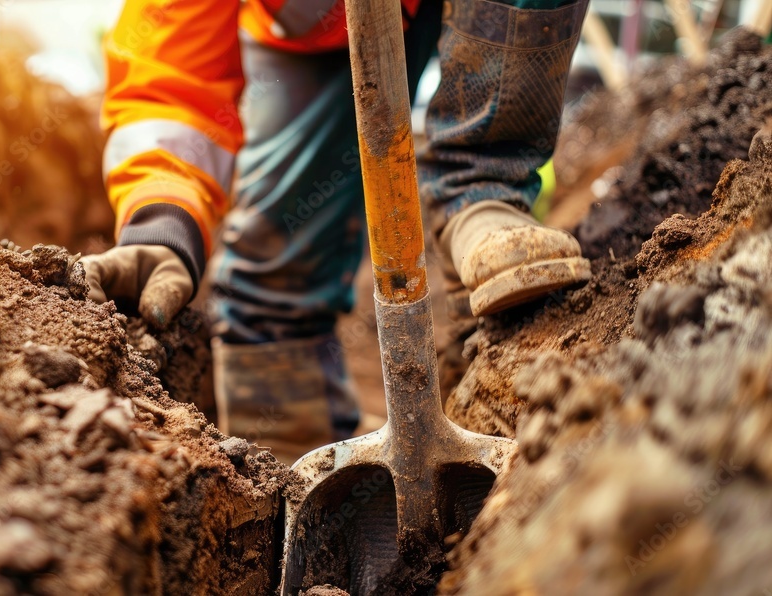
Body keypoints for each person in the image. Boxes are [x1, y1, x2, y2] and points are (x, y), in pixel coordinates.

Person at [81, 0, 592, 462]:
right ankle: (290, 470)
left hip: (503, 18)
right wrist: (163, 221)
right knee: (275, 267)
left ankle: (480, 191)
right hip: (317, 20)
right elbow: (168, 70)